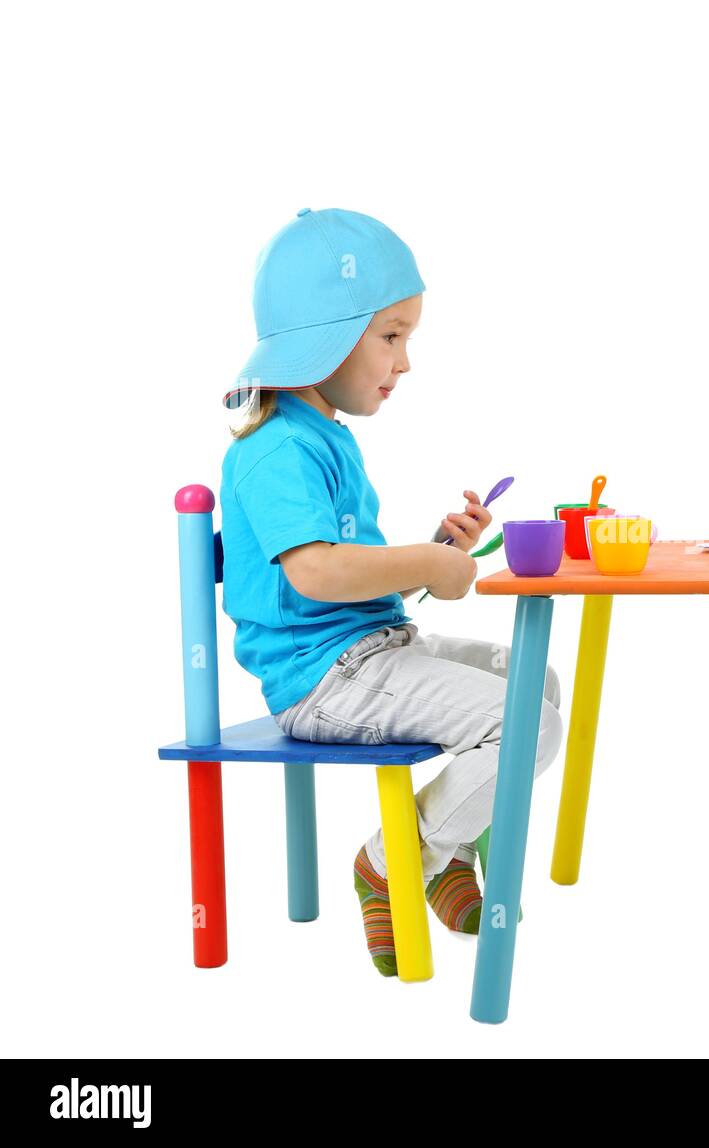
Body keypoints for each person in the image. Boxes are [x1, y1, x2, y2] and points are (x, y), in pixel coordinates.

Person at [218, 207, 563, 976]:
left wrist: (438, 555)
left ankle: (439, 858)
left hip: (371, 653)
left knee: (535, 684)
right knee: (527, 729)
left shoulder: (323, 434)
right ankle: (396, 859)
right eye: (391, 336)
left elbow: (348, 575)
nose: (404, 361)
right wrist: (426, 566)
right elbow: (315, 573)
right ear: (323, 336)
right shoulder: (275, 448)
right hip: (327, 679)